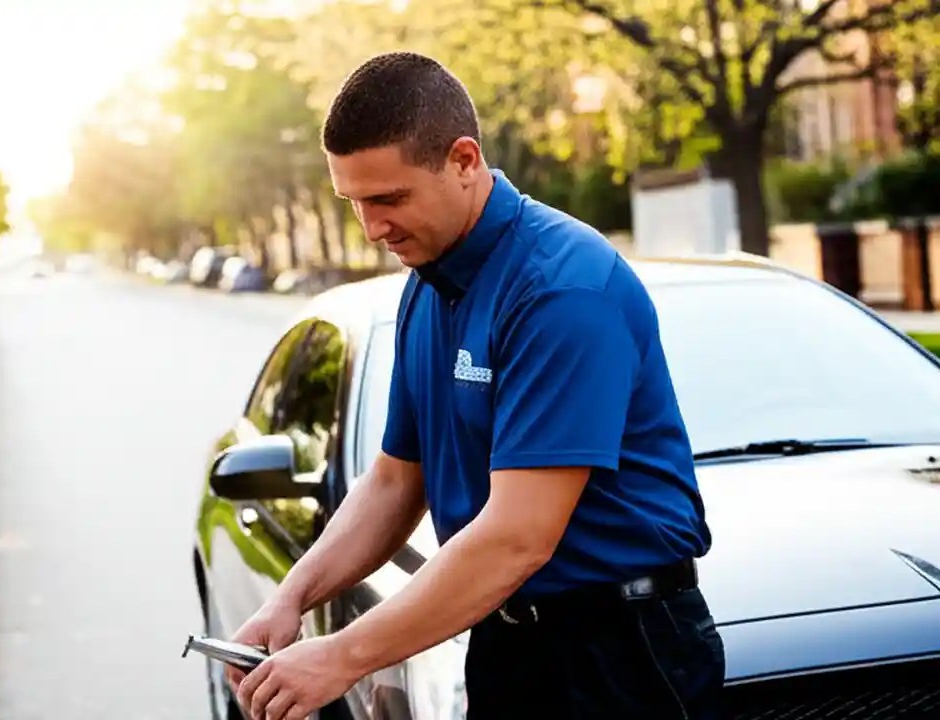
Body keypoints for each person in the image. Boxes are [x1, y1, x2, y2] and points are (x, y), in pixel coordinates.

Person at [227, 51, 725, 720]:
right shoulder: (427, 286)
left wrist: (340, 656)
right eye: (355, 204)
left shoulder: (560, 288)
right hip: (507, 639)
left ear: (464, 160)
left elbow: (519, 537)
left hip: (621, 652)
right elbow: (396, 482)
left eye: (389, 198)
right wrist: (291, 598)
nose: (372, 229)